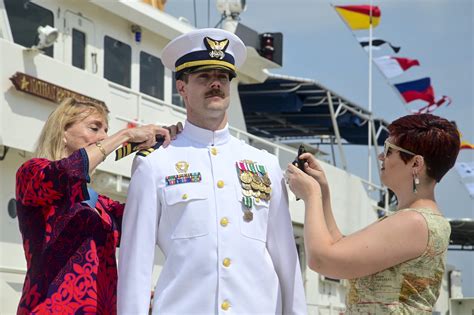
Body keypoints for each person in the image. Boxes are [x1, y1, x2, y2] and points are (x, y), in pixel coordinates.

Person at [118, 28, 307, 314]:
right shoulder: (155, 164)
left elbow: (286, 260)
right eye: (204, 77)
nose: (215, 84)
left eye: (221, 77)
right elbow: (136, 263)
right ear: (182, 87)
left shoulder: (264, 164)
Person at [15, 97, 180, 314]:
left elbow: (150, 215)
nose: (103, 136)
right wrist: (126, 134)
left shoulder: (102, 205)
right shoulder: (32, 172)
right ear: (63, 132)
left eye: (106, 130)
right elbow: (67, 172)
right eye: (94, 128)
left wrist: (174, 148)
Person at [285, 113, 460, 314]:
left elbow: (322, 260)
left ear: (416, 164)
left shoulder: (414, 221)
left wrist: (311, 196)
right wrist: (323, 191)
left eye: (388, 150)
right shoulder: (420, 219)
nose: (381, 156)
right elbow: (338, 246)